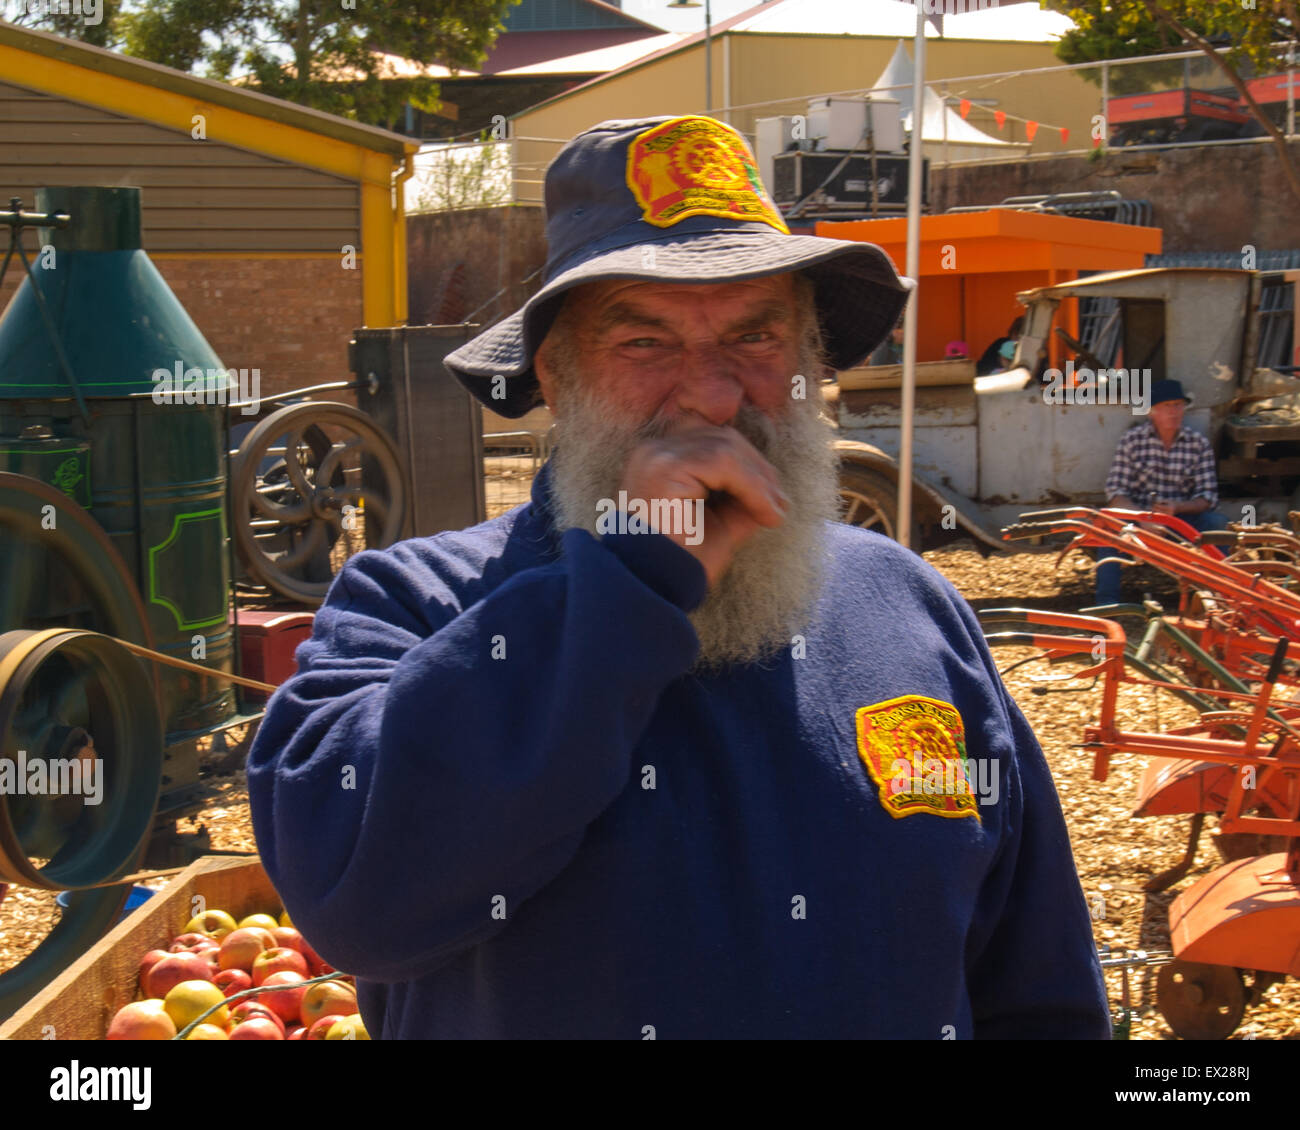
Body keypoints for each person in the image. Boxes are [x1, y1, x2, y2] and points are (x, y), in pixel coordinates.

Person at [246, 115, 1110, 1040]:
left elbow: (1040, 985)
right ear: (558, 376)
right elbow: (355, 903)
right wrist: (627, 574)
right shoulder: (417, 604)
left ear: (809, 363)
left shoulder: (908, 602)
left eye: (756, 336)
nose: (712, 394)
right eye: (646, 342)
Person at [1094, 378, 1229, 606]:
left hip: (1182, 519)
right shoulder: (1133, 441)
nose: (1174, 412)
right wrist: (1144, 518)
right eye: (1167, 406)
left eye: (1178, 405)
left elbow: (1207, 497)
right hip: (1139, 518)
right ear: (1152, 411)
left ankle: (1225, 601)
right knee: (1107, 527)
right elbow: (1115, 493)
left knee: (1216, 525)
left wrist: (1176, 509)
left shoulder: (1198, 444)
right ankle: (1106, 609)